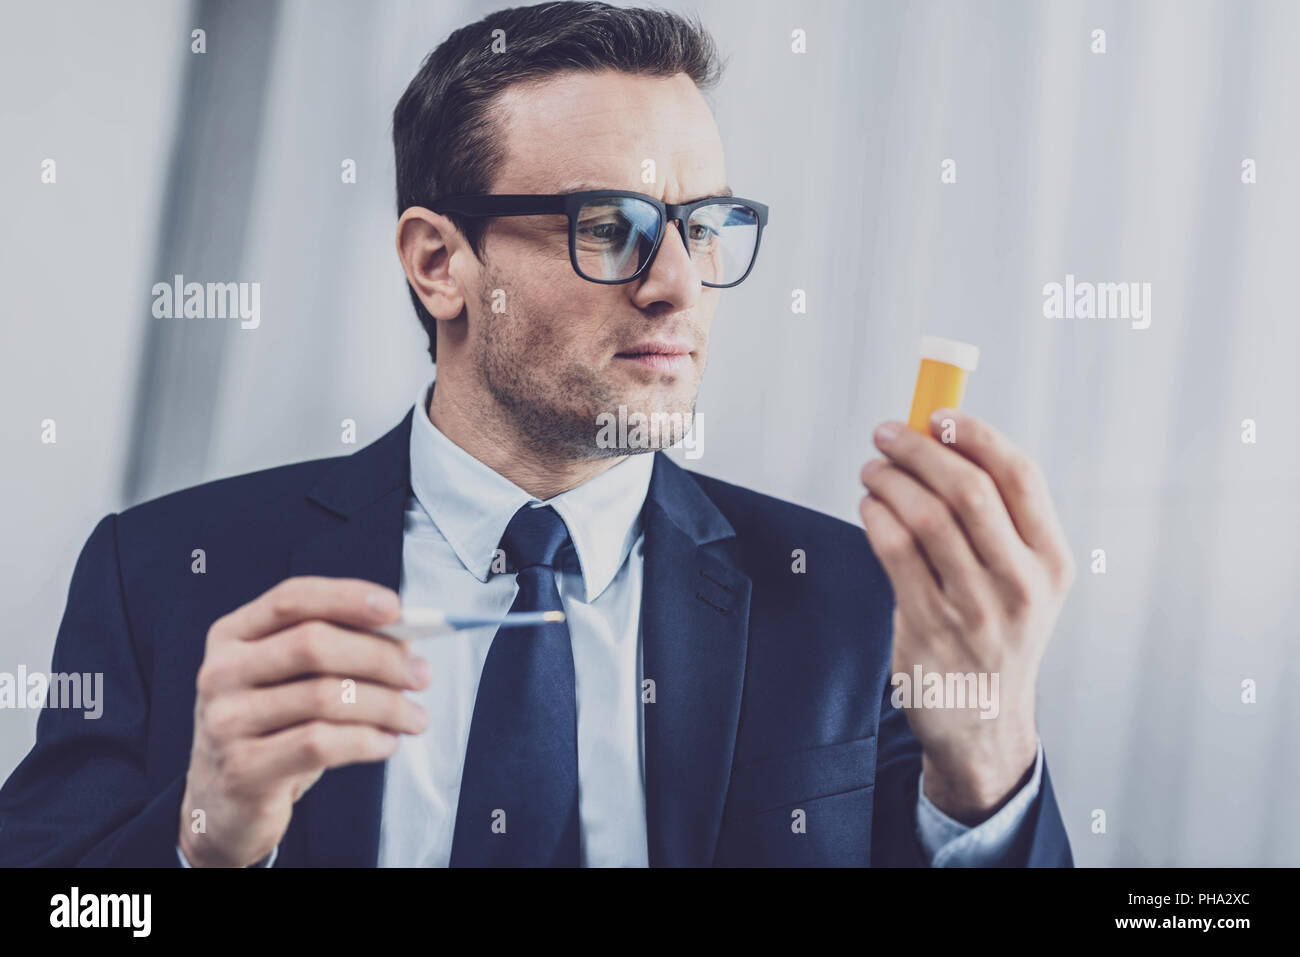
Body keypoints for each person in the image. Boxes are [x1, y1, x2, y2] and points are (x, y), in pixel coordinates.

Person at [0, 1, 1074, 867]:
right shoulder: (163, 573)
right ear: (439, 263)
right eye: (611, 228)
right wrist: (202, 842)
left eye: (705, 227)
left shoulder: (856, 600)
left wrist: (985, 769)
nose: (677, 285)